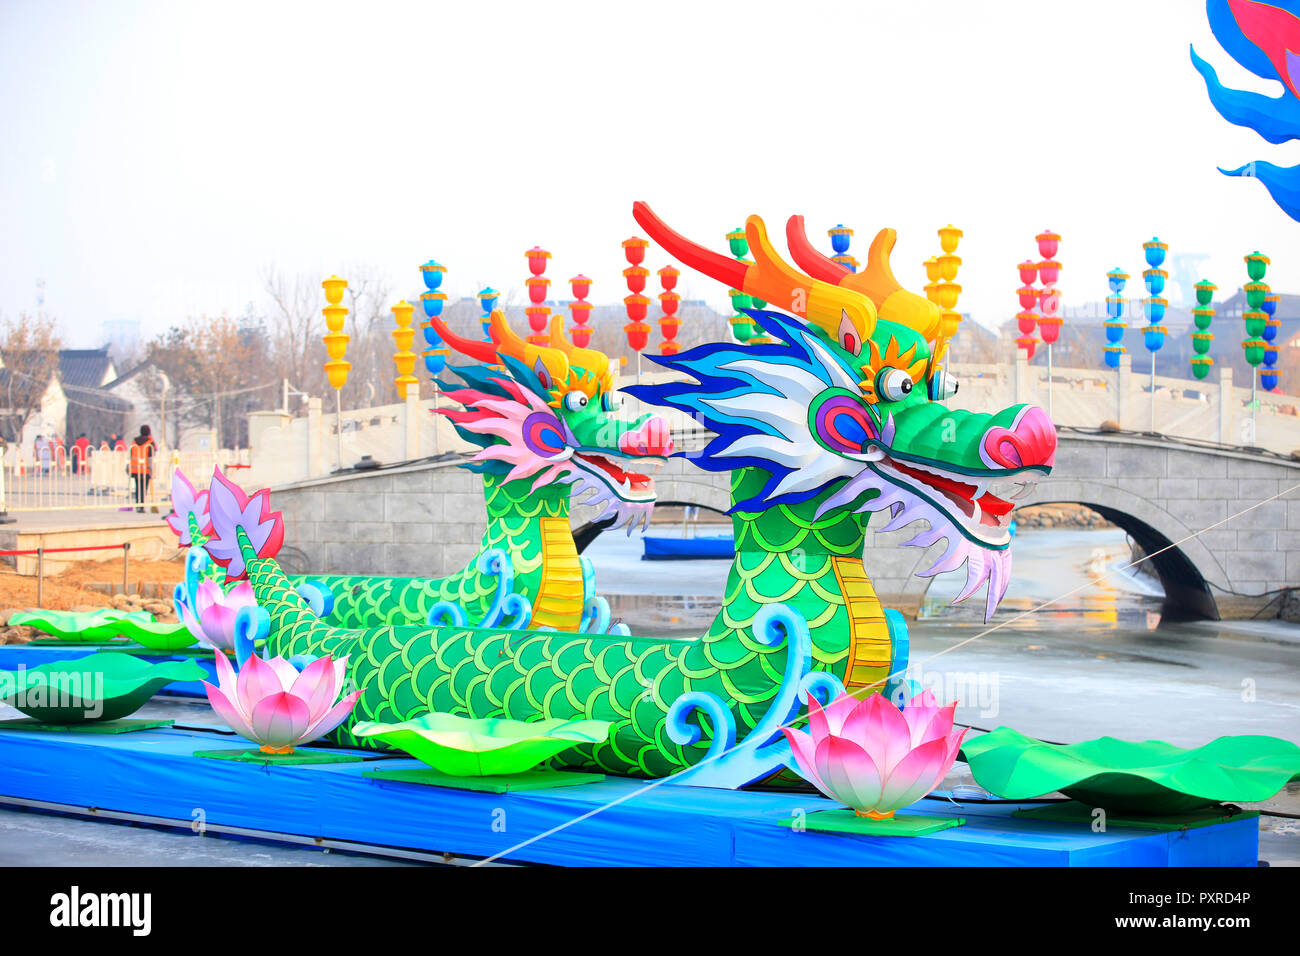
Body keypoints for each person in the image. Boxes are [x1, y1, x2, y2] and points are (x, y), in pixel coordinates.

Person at [128, 425, 157, 513]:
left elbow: (131, 455)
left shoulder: (134, 442)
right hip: (145, 469)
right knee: (144, 488)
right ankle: (141, 506)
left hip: (135, 469)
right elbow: (151, 457)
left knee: (138, 488)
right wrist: (153, 471)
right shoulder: (150, 442)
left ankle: (138, 504)